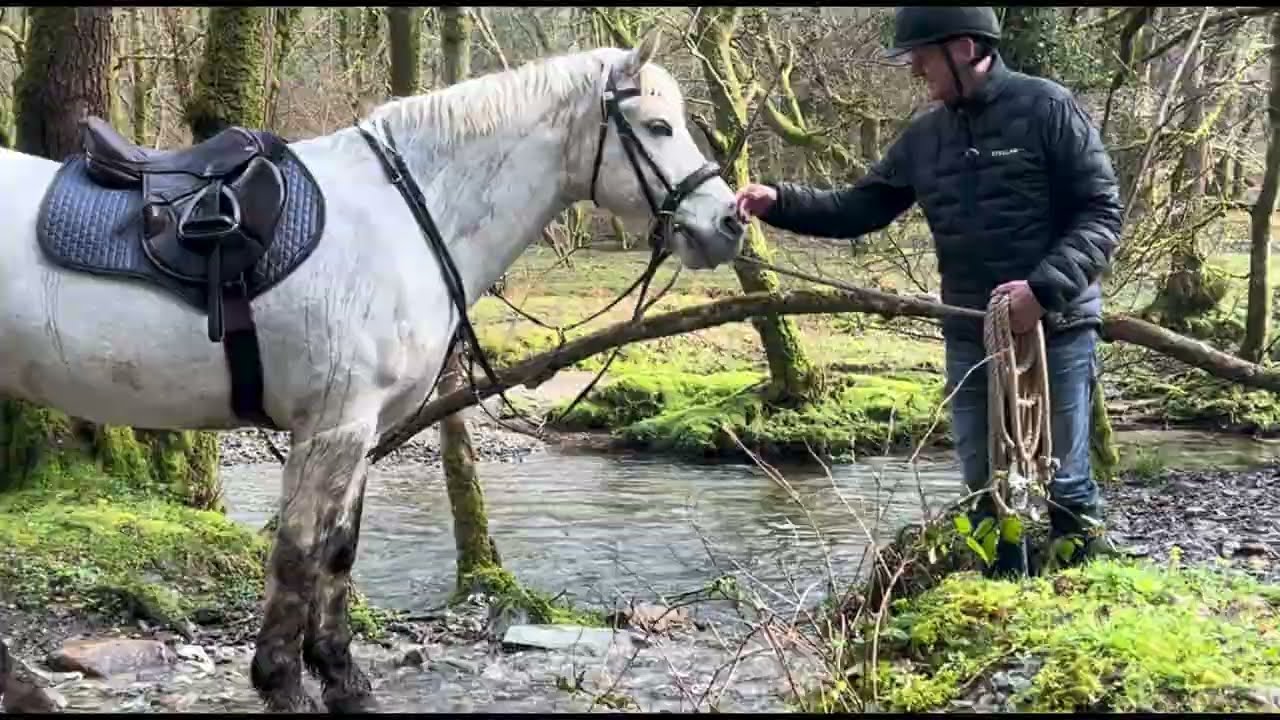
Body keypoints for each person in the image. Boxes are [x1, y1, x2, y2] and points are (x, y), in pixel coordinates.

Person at [736, 7, 1123, 575]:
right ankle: (1001, 594)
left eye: (921, 54)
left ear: (964, 47)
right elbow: (860, 207)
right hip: (970, 330)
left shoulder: (1048, 108)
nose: (915, 68)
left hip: (1056, 328)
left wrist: (1042, 291)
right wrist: (780, 202)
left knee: (1064, 476)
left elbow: (1101, 215)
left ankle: (1086, 590)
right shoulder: (926, 136)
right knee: (981, 481)